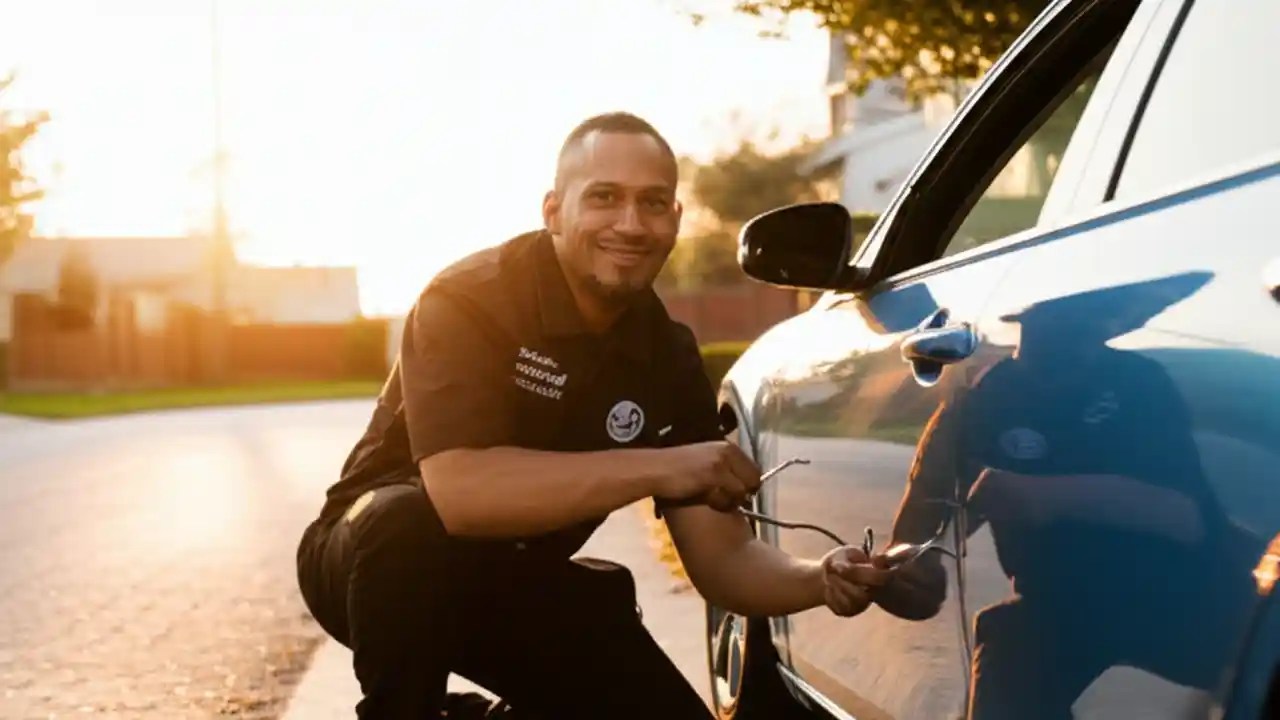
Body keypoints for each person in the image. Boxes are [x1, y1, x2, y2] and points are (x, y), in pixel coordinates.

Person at [295, 111, 892, 719]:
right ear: (553, 210)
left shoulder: (667, 353)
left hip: (519, 582)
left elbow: (725, 559)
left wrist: (821, 578)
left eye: (653, 203)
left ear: (676, 220)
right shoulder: (468, 297)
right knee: (405, 519)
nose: (631, 225)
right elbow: (460, 494)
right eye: (604, 198)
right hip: (373, 569)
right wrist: (659, 467)